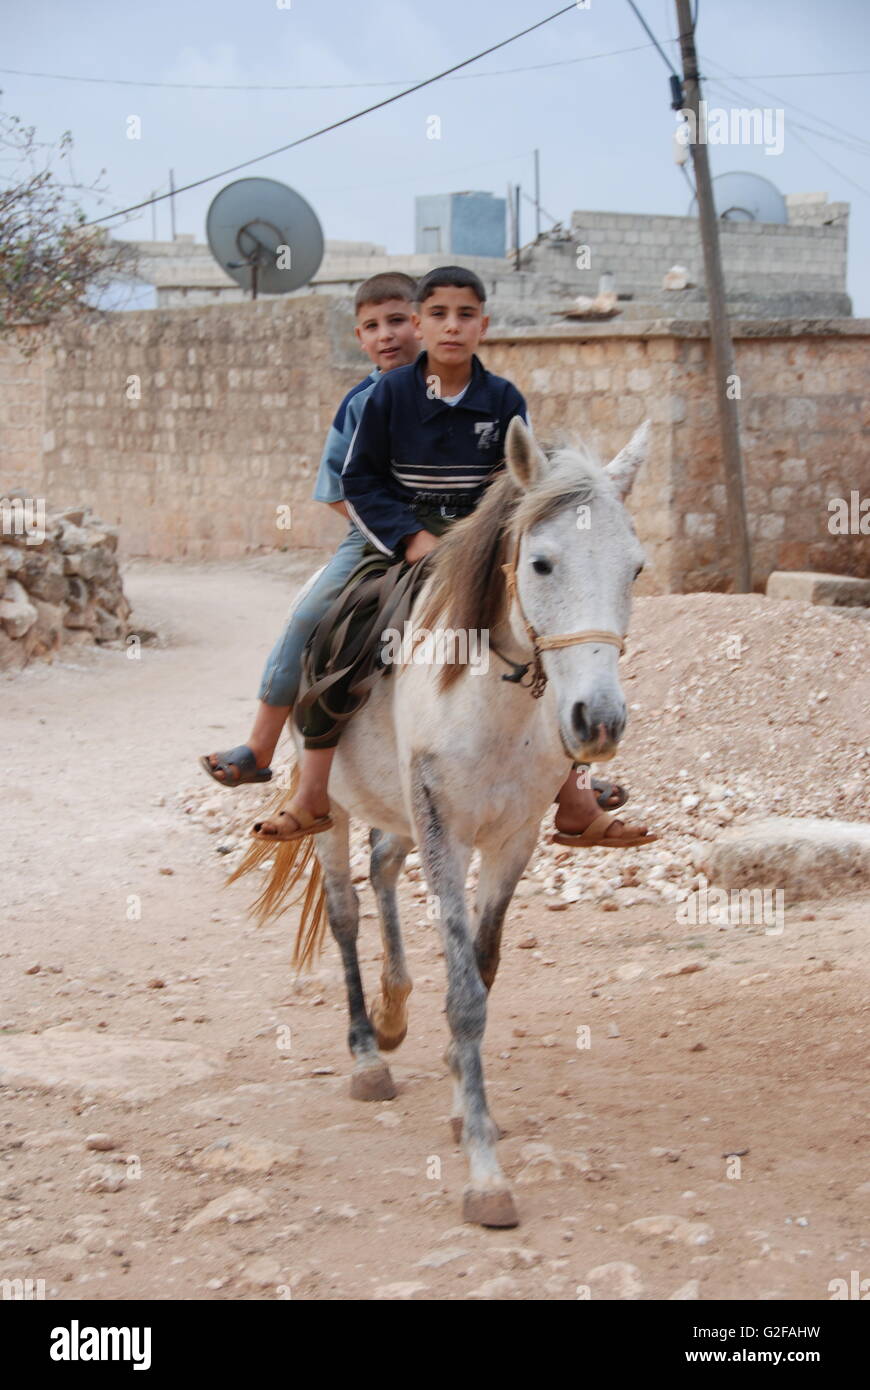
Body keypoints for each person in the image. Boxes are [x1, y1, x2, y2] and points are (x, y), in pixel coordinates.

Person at [251, 265, 655, 851]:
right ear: (422, 325)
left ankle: (573, 795)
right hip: (395, 538)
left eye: (464, 315)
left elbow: (523, 481)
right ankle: (308, 786)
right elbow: (355, 482)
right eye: (435, 315)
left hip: (477, 542)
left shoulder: (502, 398)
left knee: (540, 639)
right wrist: (413, 540)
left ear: (483, 325)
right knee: (327, 624)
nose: (448, 326)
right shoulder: (382, 397)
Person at [201, 272, 420, 788]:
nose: (386, 334)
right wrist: (400, 537)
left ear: (420, 322)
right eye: (372, 325)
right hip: (373, 542)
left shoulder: (459, 391)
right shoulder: (360, 404)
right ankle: (259, 745)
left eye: (396, 320)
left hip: (459, 535)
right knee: (305, 621)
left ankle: (573, 784)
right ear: (359, 338)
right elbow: (338, 491)